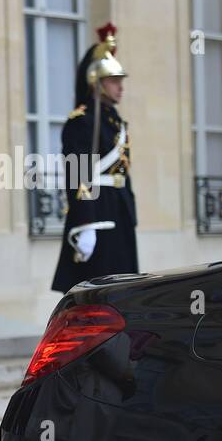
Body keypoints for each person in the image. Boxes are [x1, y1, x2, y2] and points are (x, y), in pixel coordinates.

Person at [51, 23, 137, 293]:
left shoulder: (115, 122)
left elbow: (122, 173)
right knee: (98, 292)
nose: (120, 87)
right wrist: (85, 224)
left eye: (120, 81)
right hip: (97, 213)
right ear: (96, 82)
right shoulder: (83, 121)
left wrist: (130, 212)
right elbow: (78, 173)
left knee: (123, 288)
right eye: (114, 81)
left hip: (118, 210)